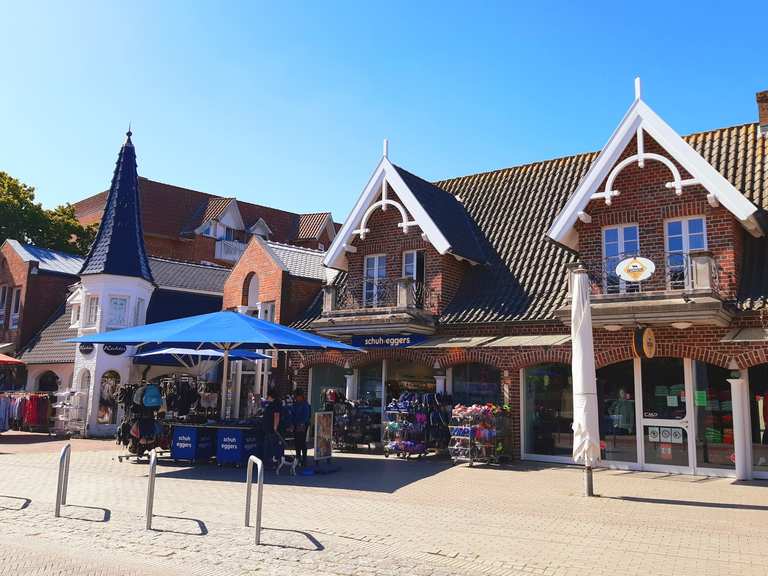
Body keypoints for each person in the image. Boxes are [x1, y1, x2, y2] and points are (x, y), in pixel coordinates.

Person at [262, 388, 283, 468]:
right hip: (269, 429)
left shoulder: (276, 404)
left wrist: (275, 427)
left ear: (271, 396)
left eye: (268, 396)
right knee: (269, 446)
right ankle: (269, 463)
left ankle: (272, 463)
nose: (267, 398)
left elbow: (276, 415)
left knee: (271, 447)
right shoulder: (273, 403)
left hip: (272, 430)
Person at [293, 390, 311, 467]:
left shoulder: (305, 404)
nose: (295, 398)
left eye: (296, 396)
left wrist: (301, 424)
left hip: (303, 425)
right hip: (296, 424)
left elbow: (306, 416)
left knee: (302, 441)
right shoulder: (296, 404)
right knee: (297, 442)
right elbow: (293, 414)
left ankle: (304, 459)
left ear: (301, 396)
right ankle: (298, 458)